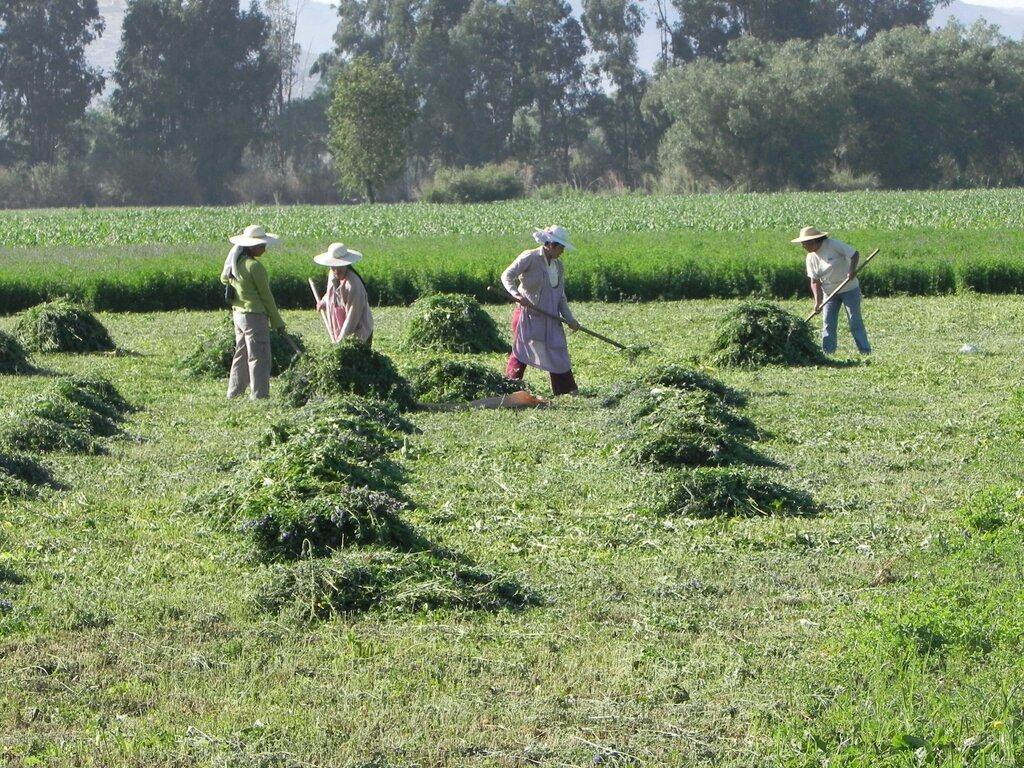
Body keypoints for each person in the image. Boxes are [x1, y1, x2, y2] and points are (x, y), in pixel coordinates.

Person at [501, 225, 581, 395]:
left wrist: (570, 319)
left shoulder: (558, 267)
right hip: (528, 316)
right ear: (551, 245)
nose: (562, 251)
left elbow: (560, 297)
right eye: (561, 247)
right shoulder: (530, 257)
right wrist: (516, 295)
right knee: (522, 351)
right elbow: (507, 275)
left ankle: (565, 389)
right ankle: (509, 387)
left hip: (550, 318)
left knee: (557, 349)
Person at [221, 224, 286, 399]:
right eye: (261, 245)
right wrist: (278, 322)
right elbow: (267, 297)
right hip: (254, 316)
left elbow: (224, 279)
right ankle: (259, 395)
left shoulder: (235, 263)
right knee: (259, 356)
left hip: (239, 314)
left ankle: (234, 392)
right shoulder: (254, 267)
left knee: (241, 354)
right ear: (251, 246)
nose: (264, 248)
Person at [793, 226, 871, 355]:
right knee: (828, 323)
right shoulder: (810, 257)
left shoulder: (833, 245)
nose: (803, 246)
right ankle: (828, 352)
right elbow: (815, 281)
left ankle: (865, 350)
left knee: (854, 321)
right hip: (829, 293)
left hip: (849, 289)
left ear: (813, 241)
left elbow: (854, 254)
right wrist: (818, 302)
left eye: (804, 243)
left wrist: (851, 271)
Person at [312, 243, 374, 346]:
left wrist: (341, 341)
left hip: (359, 332)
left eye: (340, 267)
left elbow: (352, 317)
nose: (336, 271)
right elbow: (331, 293)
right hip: (340, 327)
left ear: (346, 264)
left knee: (356, 355)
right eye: (333, 267)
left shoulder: (353, 285)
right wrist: (324, 301)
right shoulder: (332, 274)